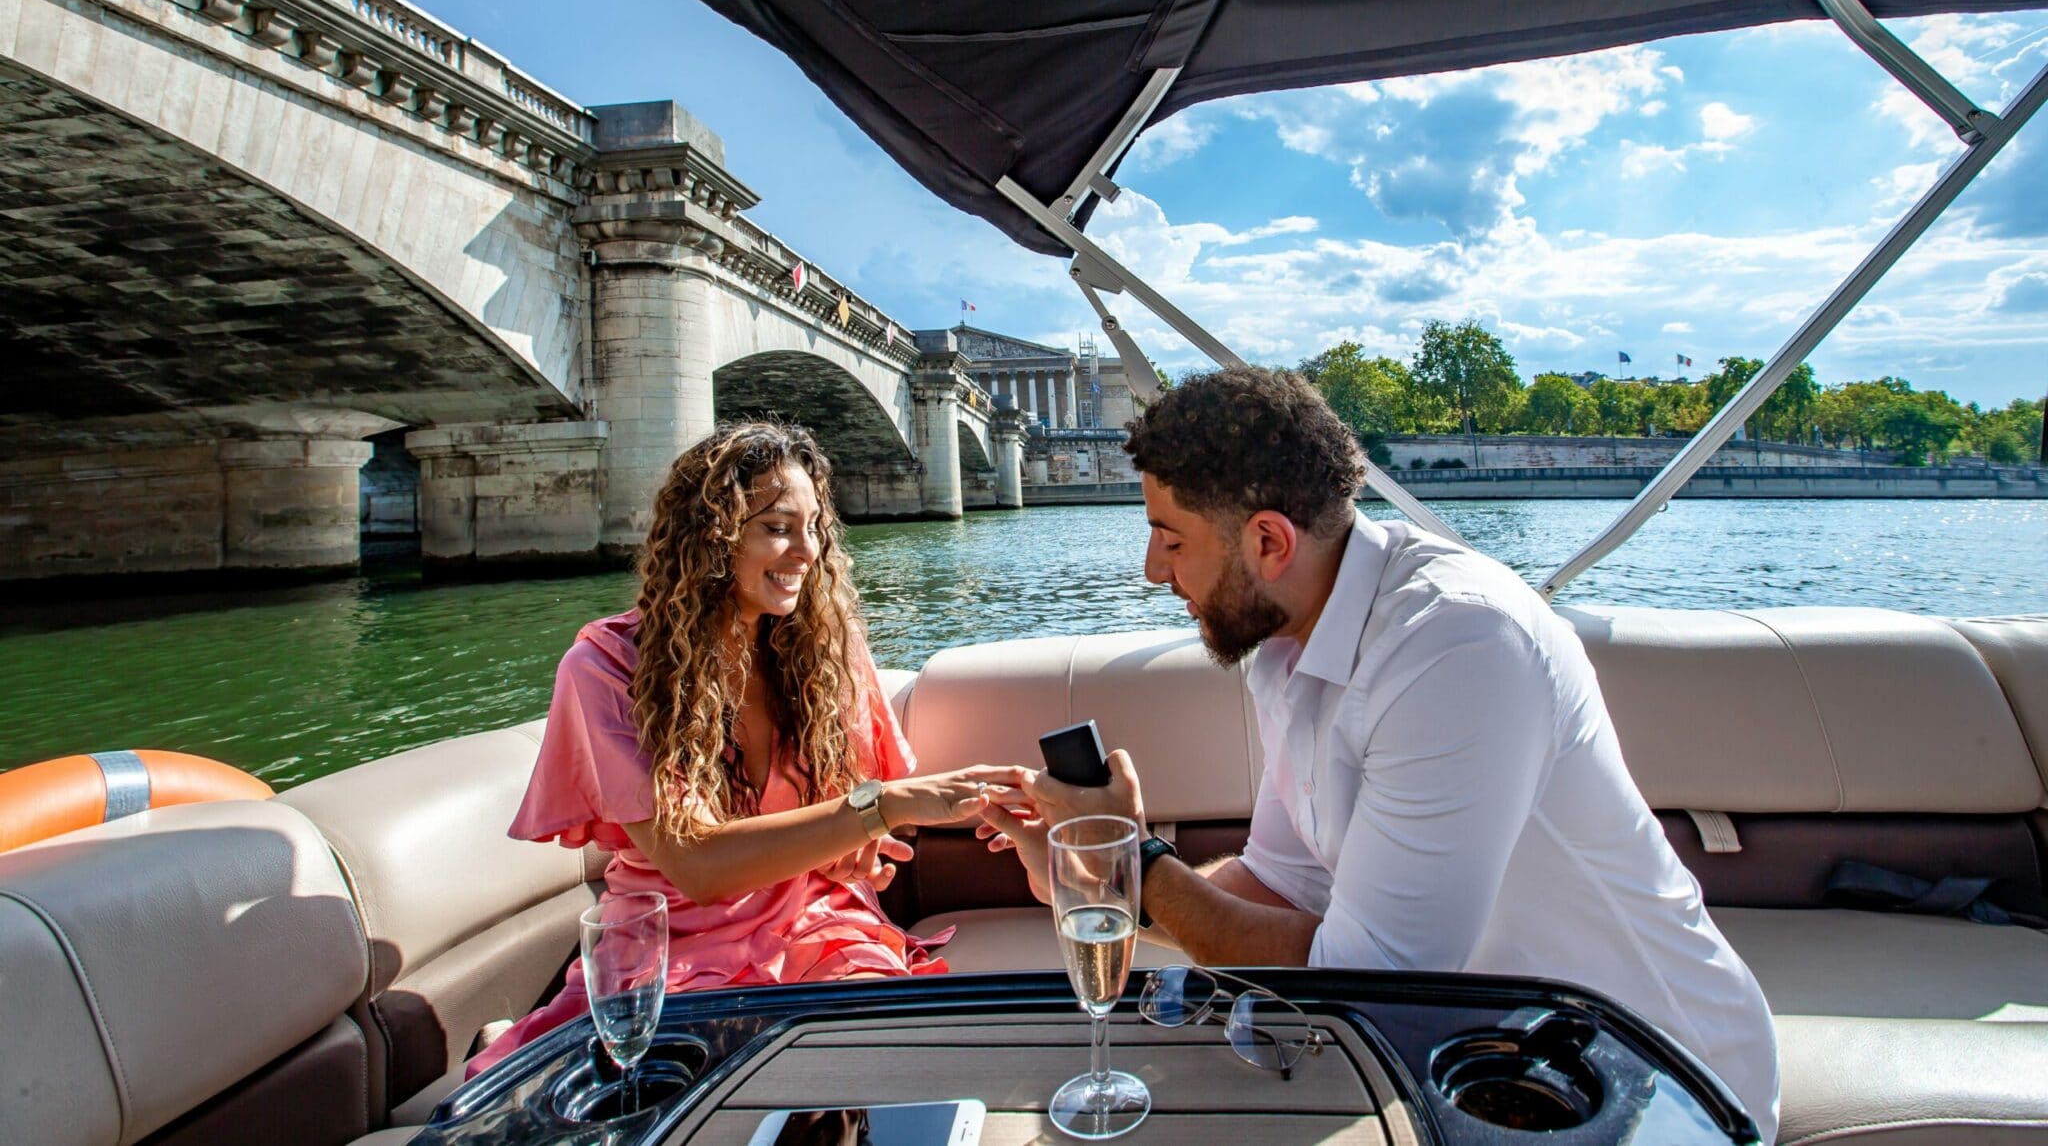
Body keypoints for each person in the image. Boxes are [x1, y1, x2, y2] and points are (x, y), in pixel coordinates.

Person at [977, 368, 1781, 1142]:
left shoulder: (1457, 645)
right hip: (1489, 1052)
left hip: (1658, 1081)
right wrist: (1099, 883)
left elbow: (1364, 978)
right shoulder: (1284, 646)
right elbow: (1282, 884)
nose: (1154, 570)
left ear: (1267, 541)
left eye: (1169, 537)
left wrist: (1140, 863)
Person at [470, 421, 1026, 1075]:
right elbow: (698, 863)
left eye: (814, 527)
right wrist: (881, 807)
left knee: (891, 1072)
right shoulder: (606, 667)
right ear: (712, 533)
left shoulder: (825, 650)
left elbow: (850, 819)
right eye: (778, 527)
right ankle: (522, 1038)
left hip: (818, 929)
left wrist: (850, 853)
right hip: (676, 950)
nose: (808, 552)